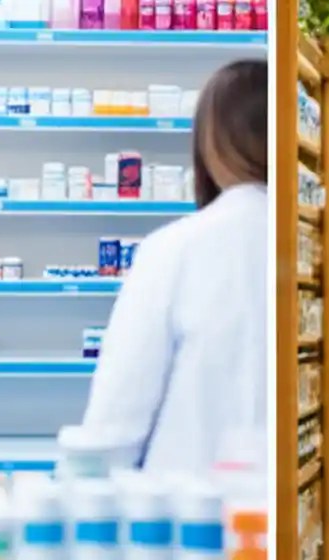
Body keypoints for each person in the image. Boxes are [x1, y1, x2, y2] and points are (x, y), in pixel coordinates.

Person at [80, 58, 268, 475]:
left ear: (211, 143)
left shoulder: (175, 248)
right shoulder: (310, 242)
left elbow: (116, 418)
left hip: (184, 501)